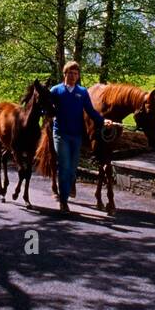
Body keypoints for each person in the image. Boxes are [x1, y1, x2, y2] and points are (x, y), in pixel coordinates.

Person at [49, 61, 116, 216]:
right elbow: (47, 108)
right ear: (64, 74)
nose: (73, 76)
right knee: (65, 167)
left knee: (72, 170)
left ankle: (66, 190)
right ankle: (64, 201)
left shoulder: (82, 92)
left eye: (75, 73)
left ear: (78, 75)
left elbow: (91, 111)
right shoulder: (56, 91)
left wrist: (103, 120)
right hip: (61, 134)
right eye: (70, 73)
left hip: (76, 135)